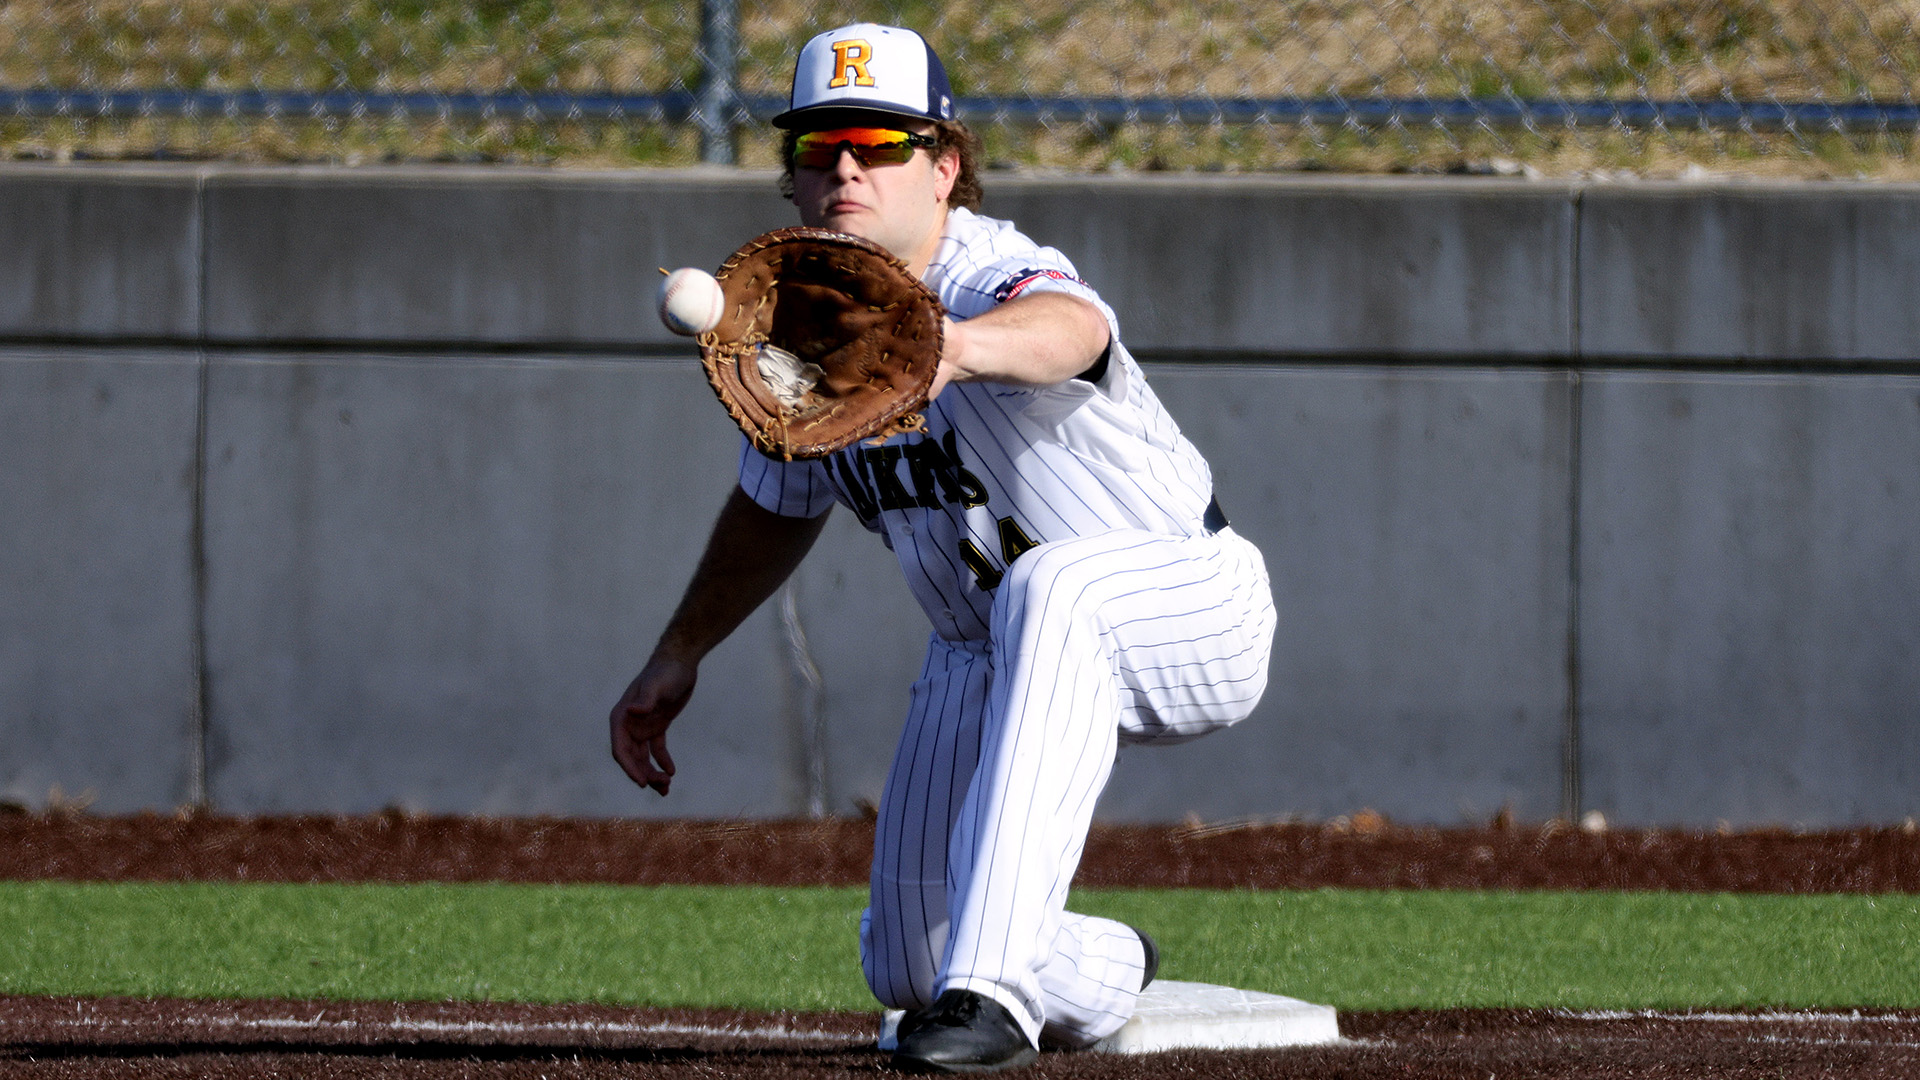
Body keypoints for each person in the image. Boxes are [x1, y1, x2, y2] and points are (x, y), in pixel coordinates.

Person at [610, 22, 1277, 1074]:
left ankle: (997, 995)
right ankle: (1097, 965)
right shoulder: (802, 331)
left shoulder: (989, 272)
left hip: (1183, 604)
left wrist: (954, 352)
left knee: (1051, 586)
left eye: (877, 143)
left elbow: (1074, 331)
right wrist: (678, 651)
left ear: (945, 167)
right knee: (908, 968)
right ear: (791, 179)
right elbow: (776, 504)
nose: (844, 168)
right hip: (989, 651)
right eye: (819, 146)